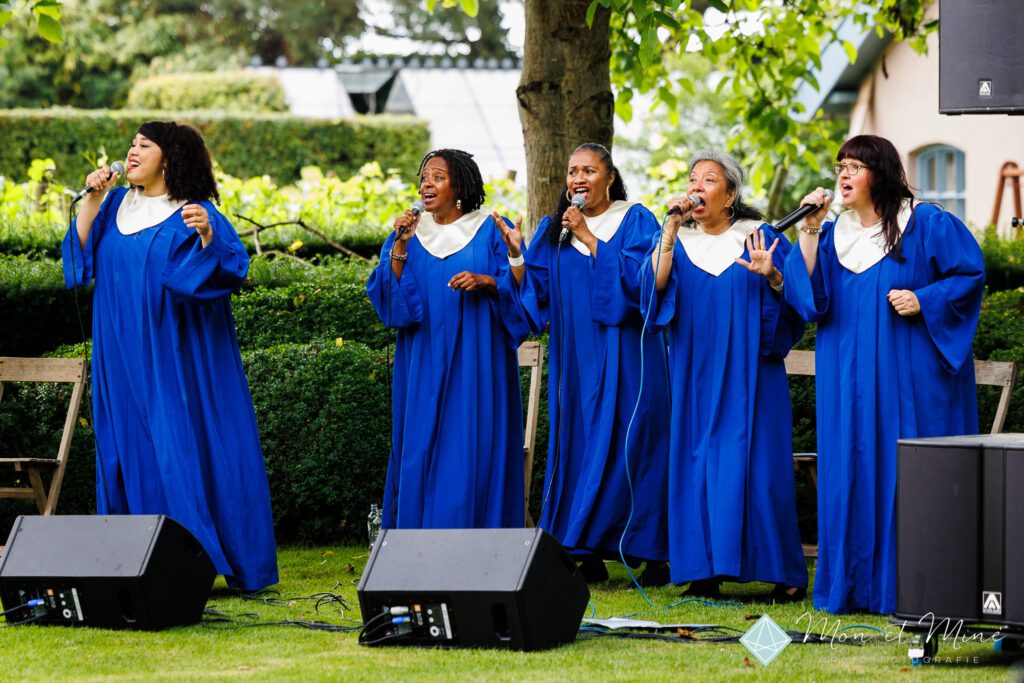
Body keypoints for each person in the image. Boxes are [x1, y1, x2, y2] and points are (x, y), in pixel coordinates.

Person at [62, 120, 278, 591]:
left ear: (171, 157)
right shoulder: (116, 203)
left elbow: (228, 268)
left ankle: (197, 557)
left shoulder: (194, 211)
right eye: (131, 144)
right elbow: (80, 259)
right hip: (120, 353)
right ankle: (136, 555)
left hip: (176, 356)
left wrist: (206, 237)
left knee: (181, 447)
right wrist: (93, 197)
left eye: (145, 145)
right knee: (128, 446)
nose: (132, 152)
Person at [783, 134, 985, 614]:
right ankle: (853, 588)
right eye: (840, 166)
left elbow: (968, 276)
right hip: (846, 380)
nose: (843, 174)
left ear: (882, 172)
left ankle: (911, 588)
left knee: (903, 473)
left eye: (855, 165)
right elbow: (811, 301)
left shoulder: (925, 224)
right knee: (850, 468)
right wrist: (807, 232)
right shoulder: (834, 235)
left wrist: (925, 299)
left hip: (906, 376)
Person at [498, 142, 670, 585]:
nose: (578, 179)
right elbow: (533, 295)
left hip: (629, 356)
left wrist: (591, 239)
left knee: (634, 444)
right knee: (581, 445)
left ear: (609, 178)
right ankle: (586, 548)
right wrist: (517, 253)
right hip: (576, 362)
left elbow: (644, 283)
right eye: (572, 171)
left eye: (588, 171)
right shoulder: (553, 231)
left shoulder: (635, 220)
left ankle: (648, 552)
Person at [641, 151, 808, 602]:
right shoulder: (677, 240)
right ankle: (702, 570)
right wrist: (671, 228)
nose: (696, 187)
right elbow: (653, 289)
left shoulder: (759, 238)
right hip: (694, 372)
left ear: (730, 194)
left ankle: (783, 572)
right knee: (696, 464)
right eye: (692, 179)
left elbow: (797, 303)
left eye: (709, 180)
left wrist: (772, 276)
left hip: (752, 375)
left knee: (761, 468)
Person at [366, 149, 529, 529]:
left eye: (438, 177)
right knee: (421, 443)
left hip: (478, 358)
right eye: (424, 176)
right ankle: (417, 543)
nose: (427, 183)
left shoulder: (491, 228)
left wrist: (490, 279)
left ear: (460, 186)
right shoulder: (406, 235)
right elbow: (390, 300)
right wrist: (400, 247)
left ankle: (476, 542)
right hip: (421, 359)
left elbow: (526, 297)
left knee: (472, 446)